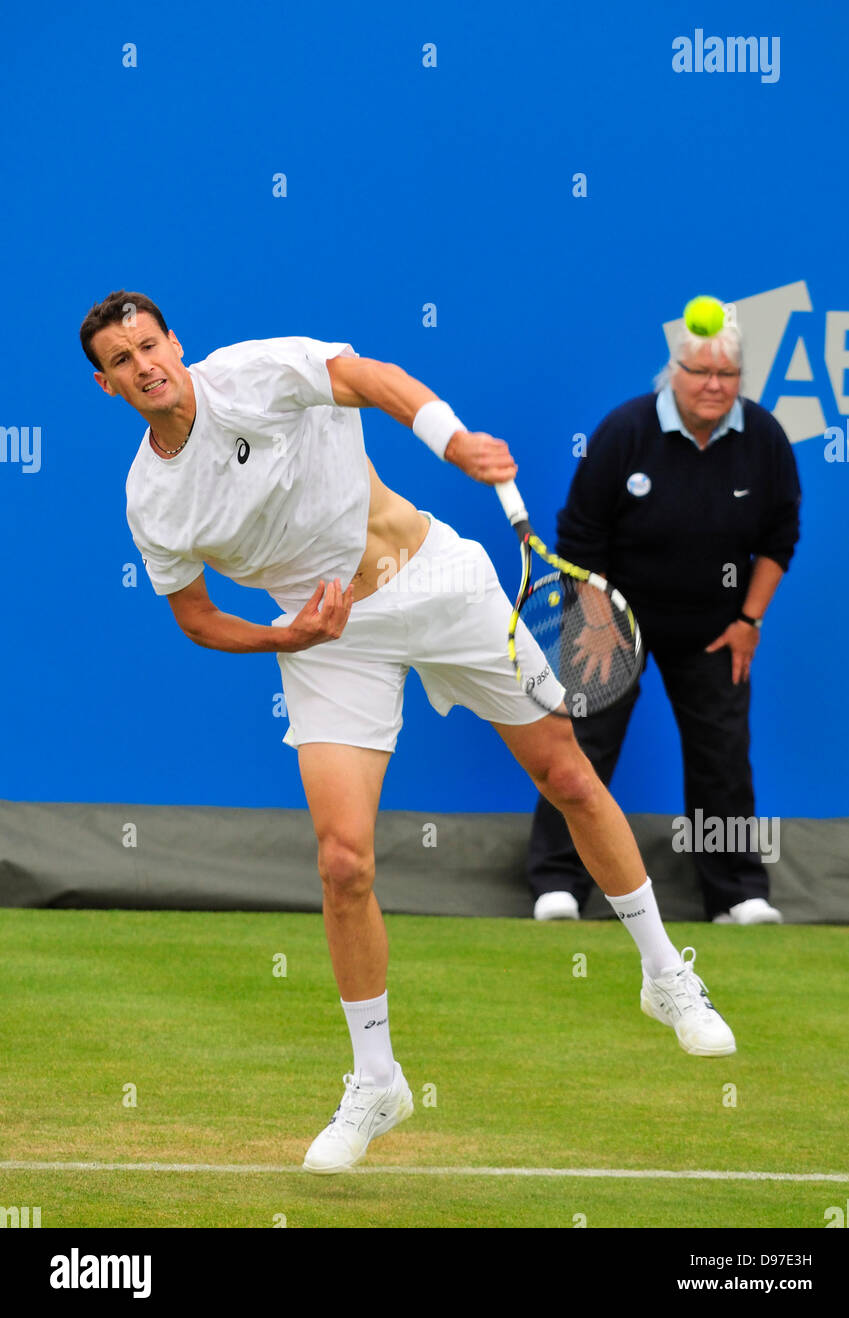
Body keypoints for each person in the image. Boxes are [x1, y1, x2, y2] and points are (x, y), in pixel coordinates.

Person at [80, 290, 738, 1175]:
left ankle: (666, 976)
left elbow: (370, 377)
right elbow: (195, 616)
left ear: (175, 343)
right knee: (343, 861)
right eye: (123, 361)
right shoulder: (152, 498)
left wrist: (451, 440)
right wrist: (285, 637)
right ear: (106, 383)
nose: (144, 366)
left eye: (151, 345)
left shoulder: (252, 374)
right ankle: (376, 1079)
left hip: (436, 584)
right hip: (326, 639)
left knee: (571, 779)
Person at [528, 302, 800, 928]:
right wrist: (596, 621)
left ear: (740, 379)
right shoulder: (625, 431)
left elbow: (780, 537)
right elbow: (580, 536)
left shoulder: (763, 439)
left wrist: (749, 621)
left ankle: (735, 894)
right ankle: (558, 883)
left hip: (713, 623)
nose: (714, 384)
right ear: (672, 371)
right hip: (610, 615)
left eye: (727, 374)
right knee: (582, 747)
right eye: (700, 370)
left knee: (723, 756)